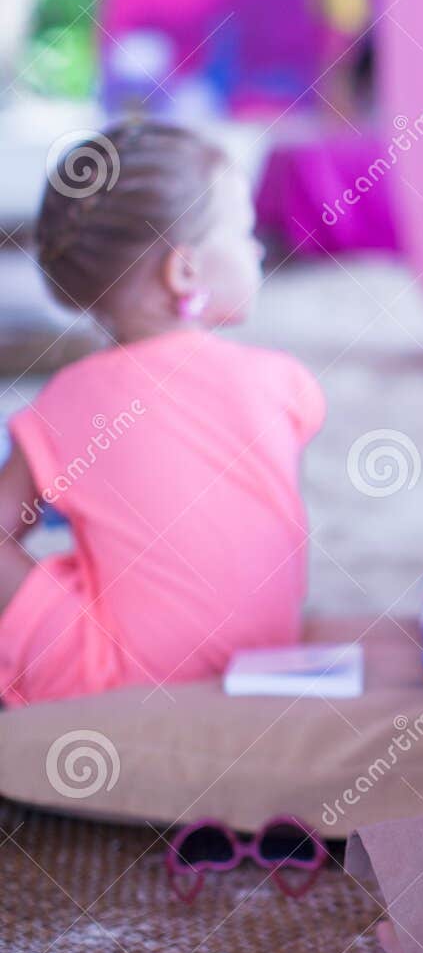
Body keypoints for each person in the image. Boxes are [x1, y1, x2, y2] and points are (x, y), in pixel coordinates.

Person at [0, 121, 323, 706]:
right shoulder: (285, 382)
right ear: (185, 271)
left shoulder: (61, 402)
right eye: (245, 230)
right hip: (264, 657)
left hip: (108, 678)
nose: (256, 248)